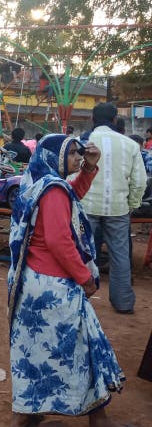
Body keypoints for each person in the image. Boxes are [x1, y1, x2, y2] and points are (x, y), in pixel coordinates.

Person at [7, 134, 147, 427]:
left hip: (32, 283)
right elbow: (59, 240)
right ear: (54, 156)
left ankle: (23, 415)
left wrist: (88, 169)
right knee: (85, 349)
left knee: (33, 349)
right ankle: (99, 422)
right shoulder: (53, 190)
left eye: (77, 152)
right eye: (71, 153)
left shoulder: (37, 183)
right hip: (55, 286)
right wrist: (84, 277)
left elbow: (70, 200)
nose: (76, 157)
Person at [79, 102, 146, 314]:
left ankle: (77, 298)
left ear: (92, 119)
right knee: (120, 256)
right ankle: (123, 303)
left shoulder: (83, 143)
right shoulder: (131, 145)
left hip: (87, 205)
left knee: (82, 252)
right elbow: (139, 181)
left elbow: (72, 174)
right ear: (115, 120)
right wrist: (132, 204)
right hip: (118, 208)